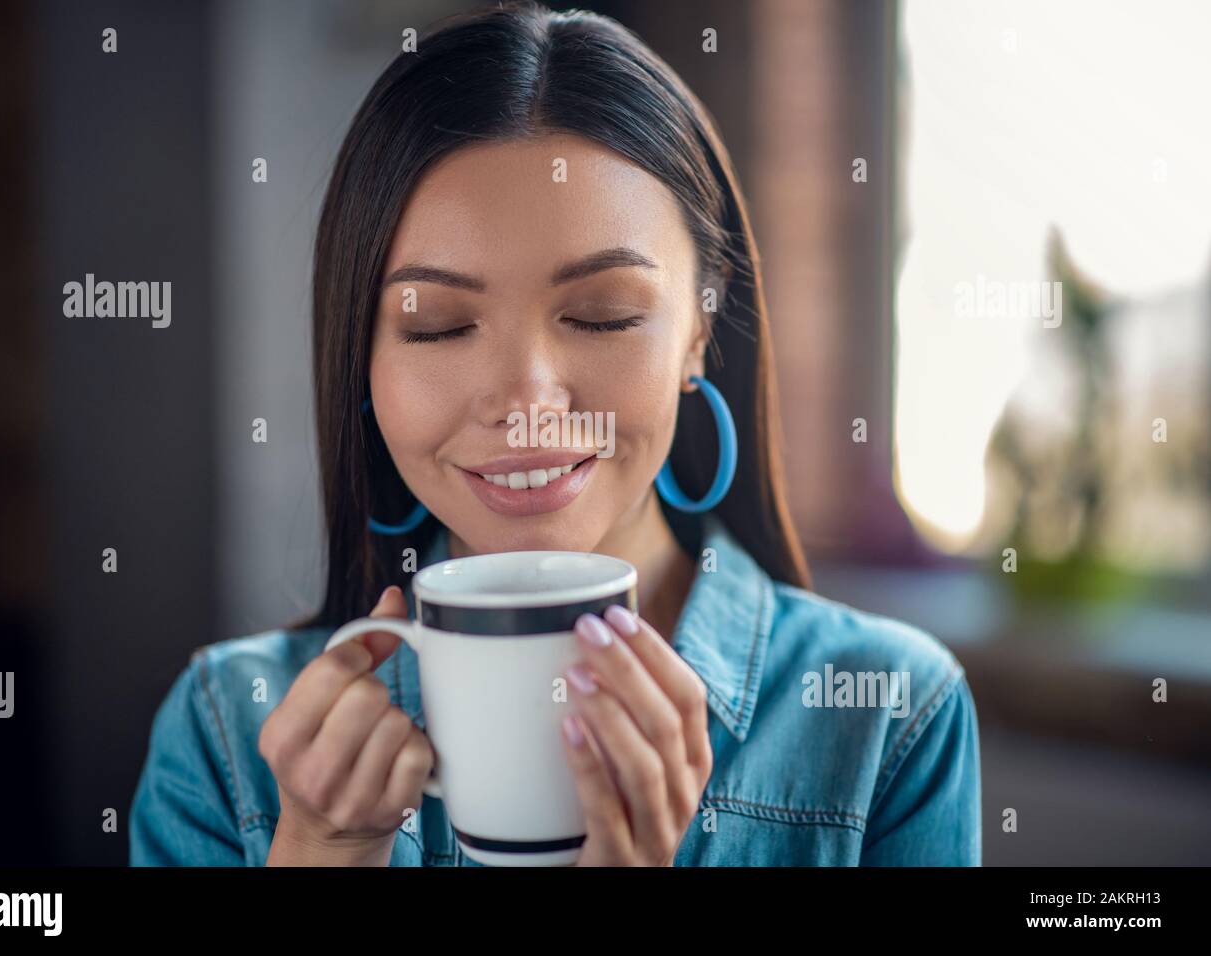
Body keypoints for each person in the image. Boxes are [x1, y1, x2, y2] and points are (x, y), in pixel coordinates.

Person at [129, 0, 981, 867]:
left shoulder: (888, 720)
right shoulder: (227, 737)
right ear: (361, 353)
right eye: (437, 327)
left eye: (603, 316)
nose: (529, 401)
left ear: (699, 325)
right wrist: (319, 847)